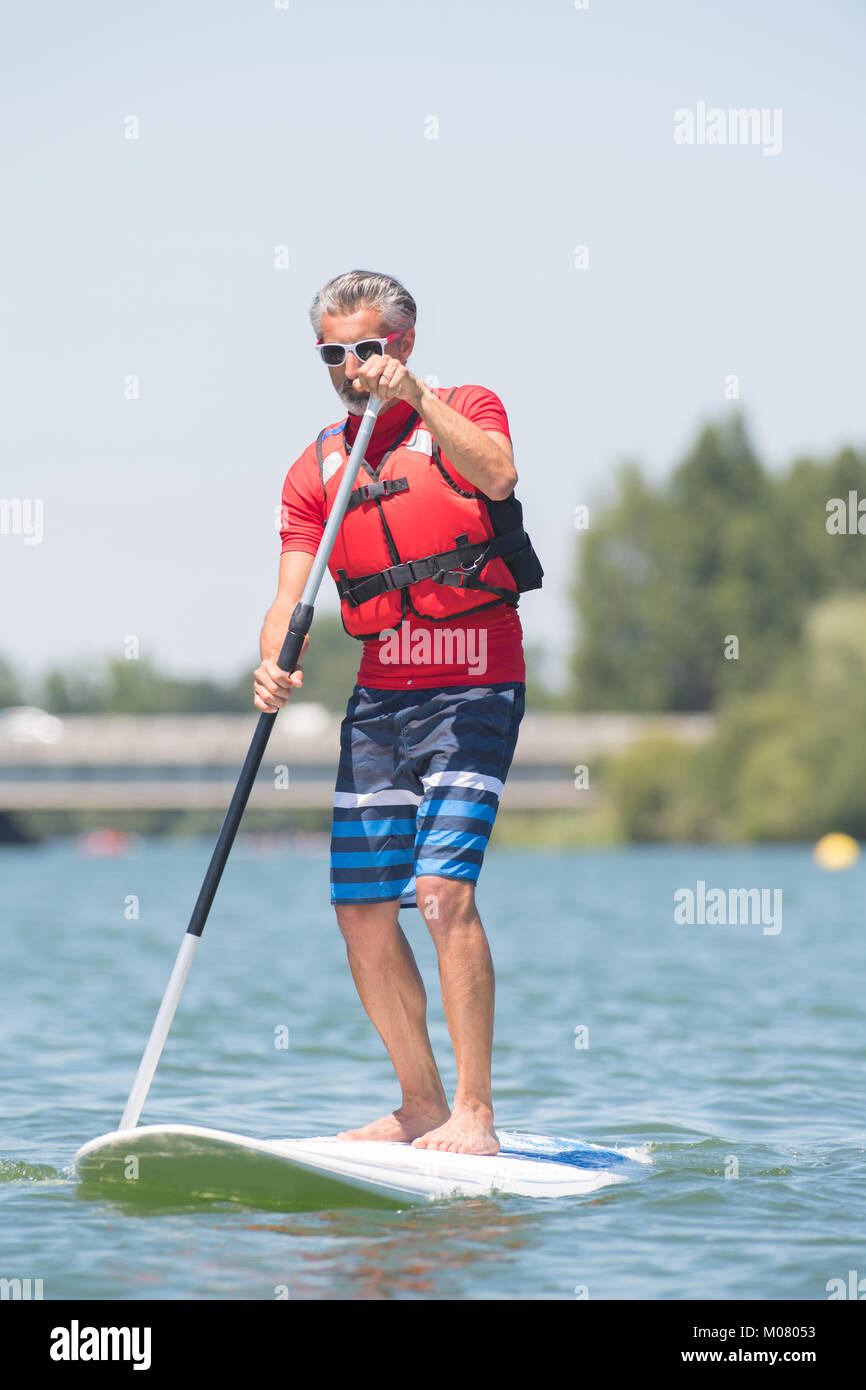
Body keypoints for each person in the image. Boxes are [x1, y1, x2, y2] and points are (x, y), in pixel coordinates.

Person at [254, 270, 541, 1155]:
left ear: (404, 345)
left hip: (474, 678)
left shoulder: (465, 405)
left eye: (367, 349)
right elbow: (289, 590)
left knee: (442, 894)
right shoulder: (317, 468)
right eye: (333, 354)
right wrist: (271, 659)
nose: (350, 368)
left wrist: (414, 395)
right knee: (361, 906)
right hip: (381, 694)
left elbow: (497, 473)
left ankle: (475, 1112)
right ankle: (419, 1103)